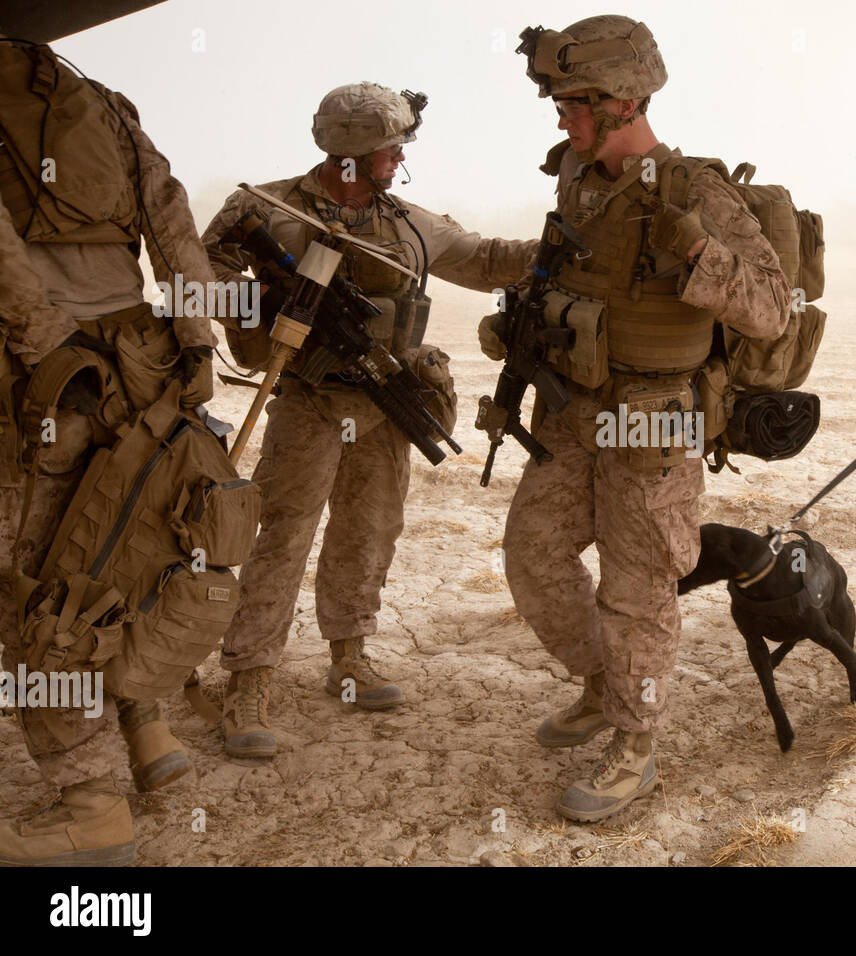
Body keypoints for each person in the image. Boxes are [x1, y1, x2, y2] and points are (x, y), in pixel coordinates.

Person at [487, 15, 789, 822]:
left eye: (573, 103)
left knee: (639, 590)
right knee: (532, 553)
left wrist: (698, 255)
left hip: (654, 427)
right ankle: (602, 682)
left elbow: (771, 309)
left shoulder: (697, 191)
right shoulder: (578, 181)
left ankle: (635, 743)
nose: (561, 118)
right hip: (571, 411)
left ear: (623, 100)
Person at [203, 82, 536, 757]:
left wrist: (565, 247)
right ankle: (249, 678)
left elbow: (487, 259)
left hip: (384, 403)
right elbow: (195, 274)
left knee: (370, 526)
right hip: (307, 398)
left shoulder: (412, 223)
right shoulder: (264, 209)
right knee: (283, 533)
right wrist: (262, 298)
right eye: (390, 149)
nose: (400, 159)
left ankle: (350, 656)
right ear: (349, 153)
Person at [0, 38, 216, 864]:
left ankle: (89, 807)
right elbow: (173, 220)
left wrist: (47, 348)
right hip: (143, 358)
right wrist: (193, 336)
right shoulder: (107, 103)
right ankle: (147, 728)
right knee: (129, 548)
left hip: (46, 381)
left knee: (37, 588)